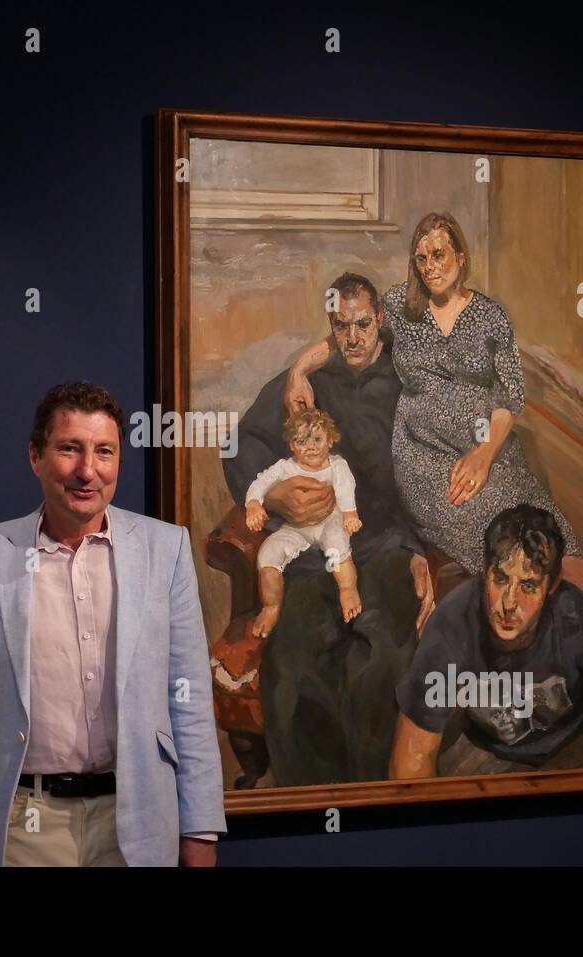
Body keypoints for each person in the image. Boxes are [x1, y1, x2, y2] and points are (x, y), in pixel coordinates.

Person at [0, 381, 227, 866]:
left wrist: (200, 830)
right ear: (36, 457)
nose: (87, 470)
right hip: (27, 825)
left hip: (138, 822)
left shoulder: (165, 549)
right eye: (69, 449)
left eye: (104, 451)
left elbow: (189, 700)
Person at [285, 212, 583, 588]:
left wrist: (483, 455)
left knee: (562, 551)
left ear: (461, 256)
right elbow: (348, 335)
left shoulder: (491, 317)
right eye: (421, 258)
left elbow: (511, 394)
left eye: (439, 254)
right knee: (512, 551)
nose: (430, 267)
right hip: (425, 458)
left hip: (489, 451)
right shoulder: (400, 306)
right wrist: (298, 370)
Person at [222, 273, 434, 787]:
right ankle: (311, 803)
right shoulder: (306, 384)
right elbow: (237, 448)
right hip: (313, 548)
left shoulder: (406, 376)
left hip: (385, 544)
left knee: (383, 657)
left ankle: (371, 801)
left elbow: (432, 474)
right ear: (330, 328)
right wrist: (273, 496)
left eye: (363, 324)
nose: (354, 337)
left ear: (380, 320)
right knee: (294, 658)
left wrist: (417, 549)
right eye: (342, 327)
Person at [389, 505, 583, 778]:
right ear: (484, 571)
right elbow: (412, 757)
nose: (508, 603)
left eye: (528, 586)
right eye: (501, 579)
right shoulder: (451, 625)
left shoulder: (578, 619)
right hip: (491, 752)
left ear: (551, 586)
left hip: (578, 740)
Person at [245, 408, 362, 635]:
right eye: (302, 440)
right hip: (296, 528)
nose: (311, 446)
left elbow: (346, 487)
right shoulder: (285, 467)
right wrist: (253, 505)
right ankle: (271, 606)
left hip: (330, 521)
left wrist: (349, 513)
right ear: (291, 445)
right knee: (268, 554)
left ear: (330, 440)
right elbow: (261, 482)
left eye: (317, 439)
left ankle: (348, 589)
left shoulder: (336, 466)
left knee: (337, 543)